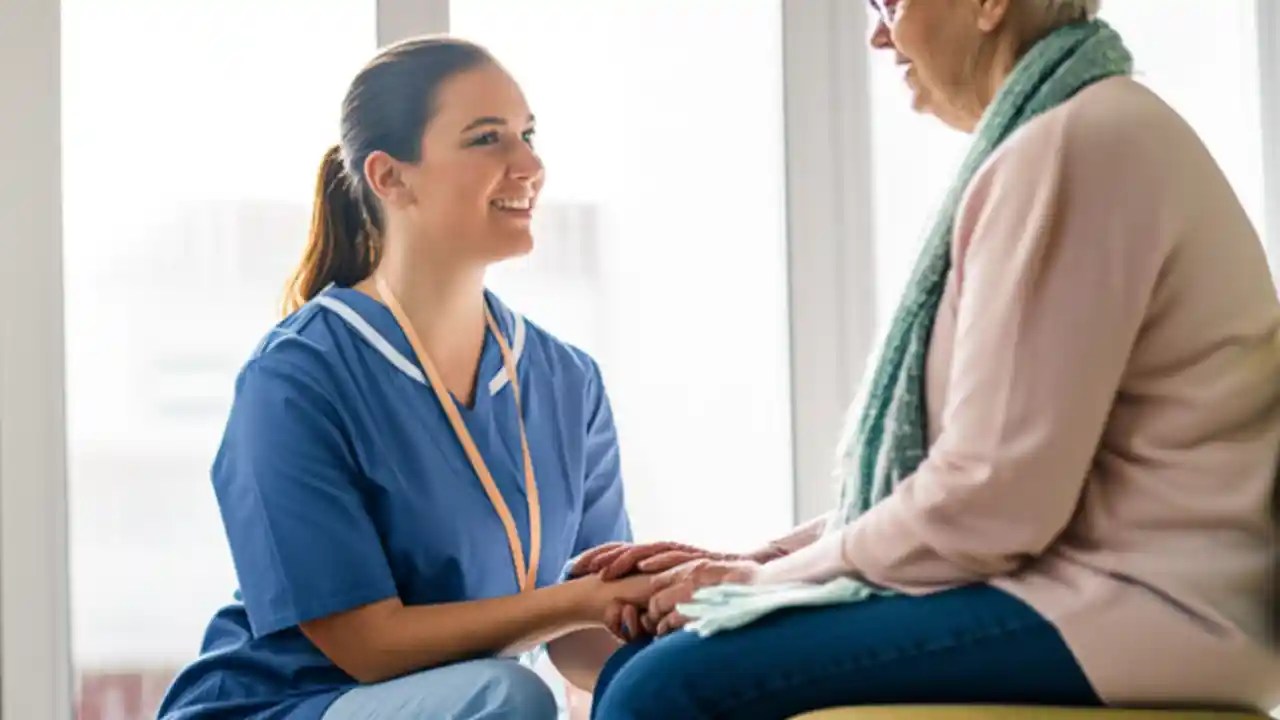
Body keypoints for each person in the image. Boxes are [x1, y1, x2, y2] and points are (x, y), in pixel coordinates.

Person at [577, 1, 1280, 718]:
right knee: (641, 665)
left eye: (891, 2)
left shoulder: (1079, 143)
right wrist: (762, 561)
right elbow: (967, 480)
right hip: (1086, 588)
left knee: (661, 687)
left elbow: (992, 501)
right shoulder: (1072, 132)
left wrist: (761, 582)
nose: (878, 33)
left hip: (1147, 611)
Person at [156, 37, 652, 720]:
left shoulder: (568, 382)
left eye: (528, 135)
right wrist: (579, 601)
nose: (530, 165)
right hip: (284, 704)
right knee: (507, 695)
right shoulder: (296, 378)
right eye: (487, 139)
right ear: (390, 177)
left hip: (468, 705)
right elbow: (367, 645)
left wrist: (682, 618)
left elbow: (587, 646)